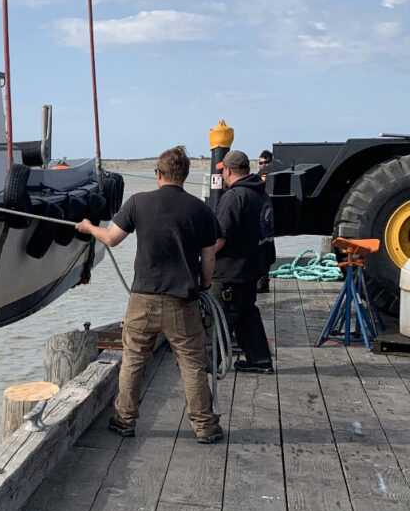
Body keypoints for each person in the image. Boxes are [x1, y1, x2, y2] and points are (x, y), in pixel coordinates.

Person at [77, 146, 223, 444]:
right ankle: (205, 427)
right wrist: (205, 287)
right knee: (192, 364)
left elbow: (112, 239)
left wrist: (89, 227)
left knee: (133, 360)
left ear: (158, 174)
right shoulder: (201, 210)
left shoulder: (138, 202)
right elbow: (208, 261)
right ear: (184, 175)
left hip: (142, 300)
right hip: (183, 302)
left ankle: (125, 420)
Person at [211, 150, 276, 373]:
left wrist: (201, 258)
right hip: (254, 266)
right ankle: (259, 360)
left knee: (219, 316)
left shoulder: (233, 197)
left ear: (228, 171)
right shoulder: (261, 194)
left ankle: (207, 364)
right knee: (247, 312)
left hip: (231, 270)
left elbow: (220, 236)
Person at [255, 150, 274, 292]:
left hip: (268, 220)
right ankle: (260, 280)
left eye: (266, 162)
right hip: (260, 219)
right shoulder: (256, 178)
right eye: (261, 163)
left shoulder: (272, 177)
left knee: (266, 248)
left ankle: (263, 280)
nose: (263, 165)